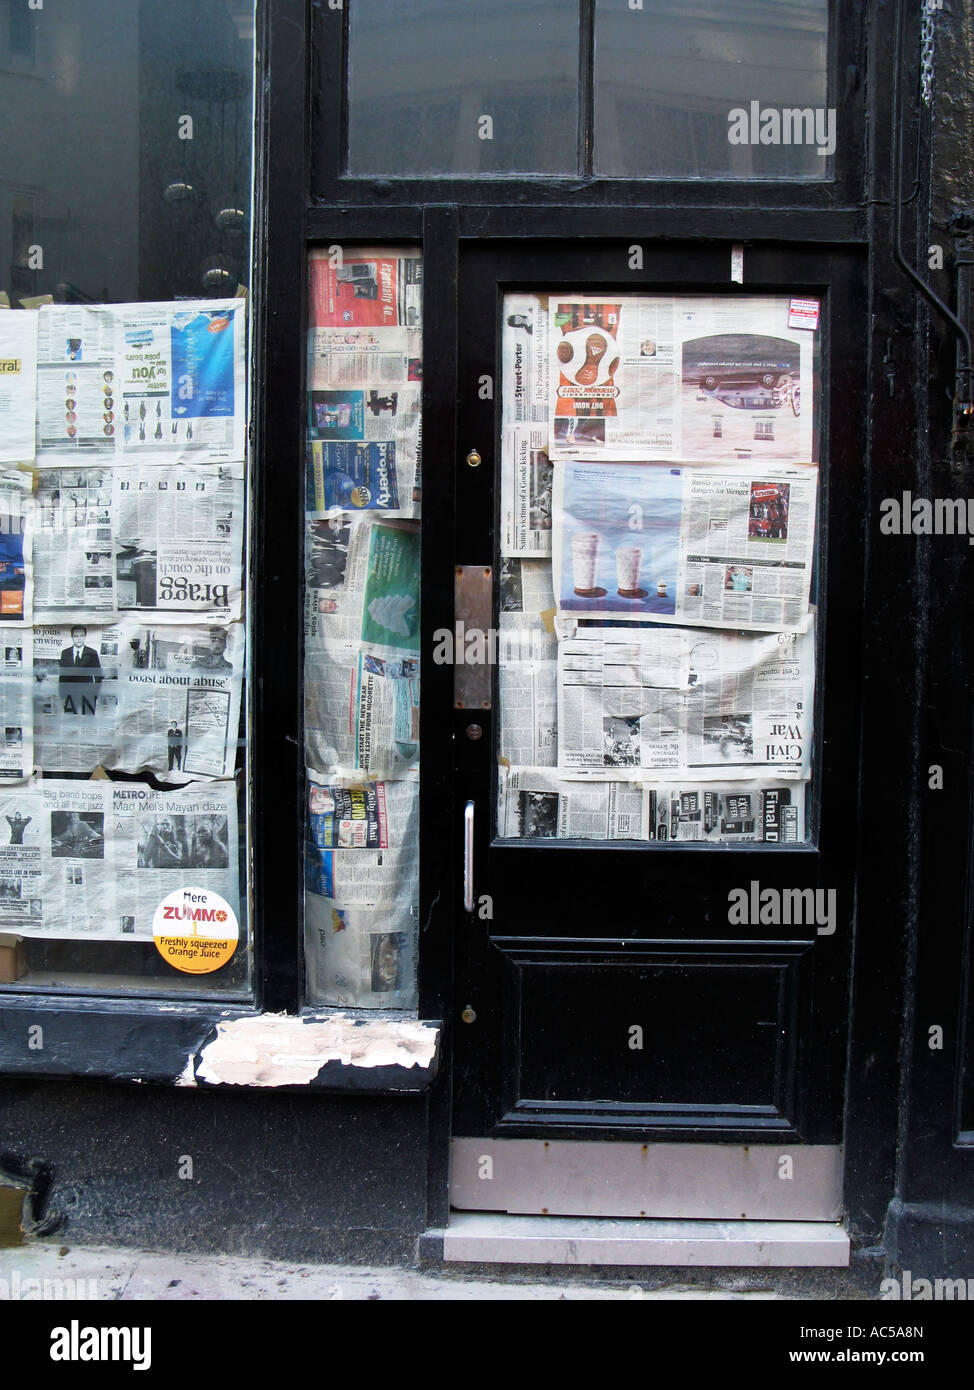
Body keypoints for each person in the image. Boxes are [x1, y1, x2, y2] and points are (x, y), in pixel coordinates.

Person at [58, 626, 102, 714]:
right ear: (72, 637)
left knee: (88, 722)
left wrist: (95, 695)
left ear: (85, 636)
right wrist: (62, 696)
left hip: (88, 695)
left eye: (81, 636)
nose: (79, 639)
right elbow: (62, 676)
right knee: (70, 721)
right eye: (76, 636)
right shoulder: (65, 653)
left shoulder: (92, 653)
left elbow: (98, 676)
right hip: (70, 695)